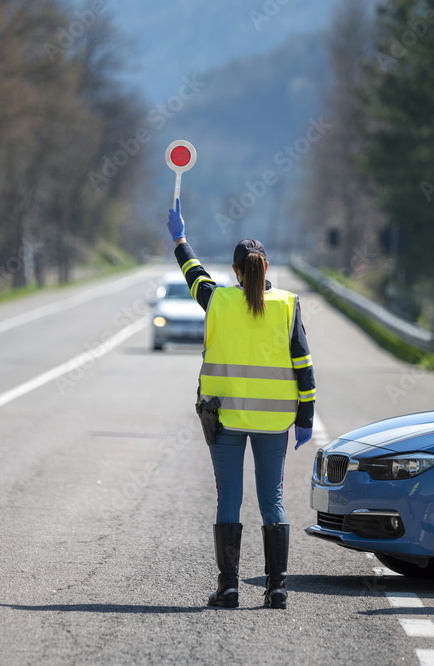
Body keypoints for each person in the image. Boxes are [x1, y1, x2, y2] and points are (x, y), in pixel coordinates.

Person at [166, 198, 316, 609]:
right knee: (273, 500)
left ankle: (229, 587)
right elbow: (304, 365)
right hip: (275, 422)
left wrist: (180, 238)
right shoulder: (287, 305)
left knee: (228, 498)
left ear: (235, 270)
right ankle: (277, 589)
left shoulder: (217, 300)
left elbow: (193, 273)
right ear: (266, 268)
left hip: (226, 419)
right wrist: (306, 417)